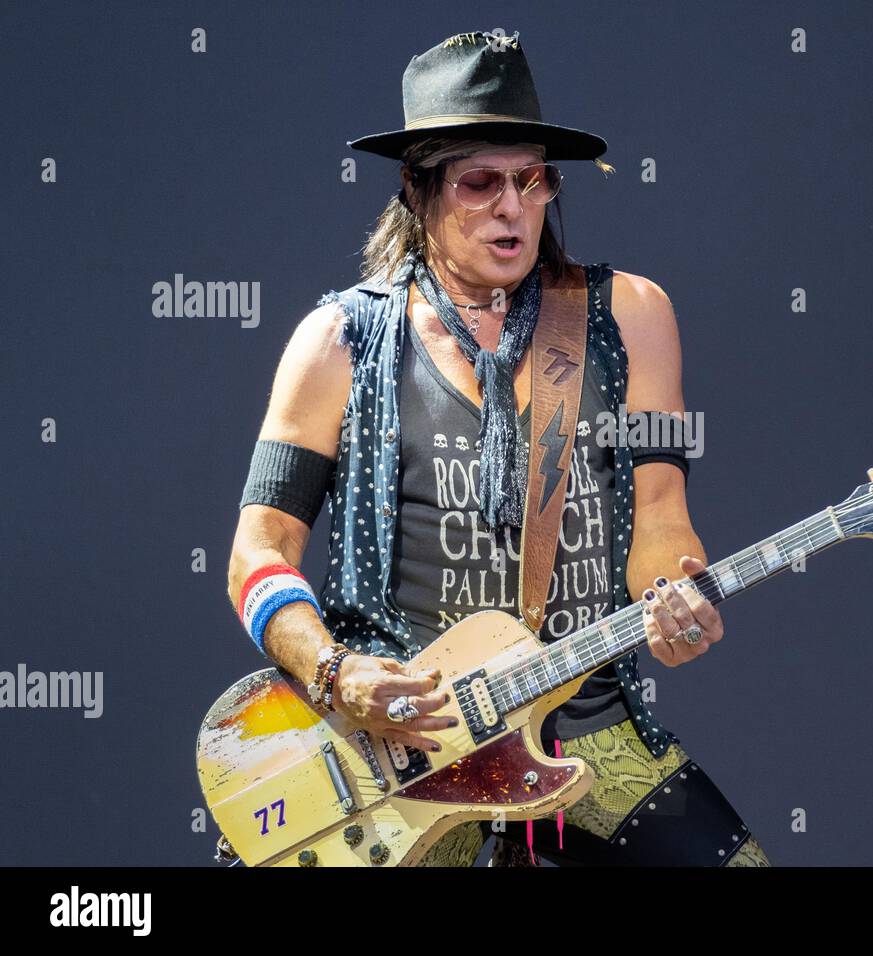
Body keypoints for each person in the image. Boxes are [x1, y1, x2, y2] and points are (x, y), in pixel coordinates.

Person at [227, 29, 769, 867]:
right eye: (480, 182)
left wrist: (676, 598)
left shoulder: (632, 317)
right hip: (400, 748)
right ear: (418, 189)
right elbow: (257, 551)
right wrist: (337, 675)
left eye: (532, 179)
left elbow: (663, 520)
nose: (513, 207)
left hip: (586, 723)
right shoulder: (336, 341)